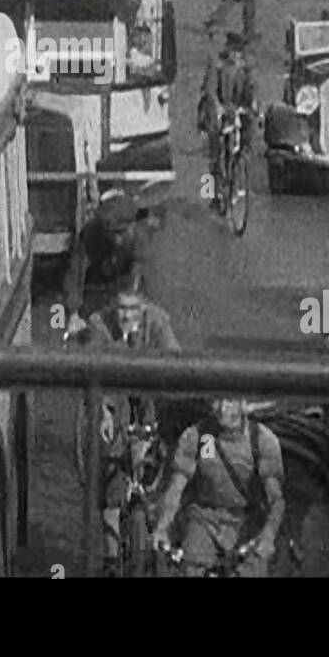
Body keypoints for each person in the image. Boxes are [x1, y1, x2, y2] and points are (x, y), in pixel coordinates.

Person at [67, 279, 179, 572]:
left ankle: (160, 525)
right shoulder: (99, 325)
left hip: (148, 391)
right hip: (114, 396)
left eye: (133, 309)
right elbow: (93, 372)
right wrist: (102, 410)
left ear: (144, 308)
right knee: (110, 478)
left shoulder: (158, 323)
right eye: (120, 309)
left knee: (169, 457)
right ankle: (110, 559)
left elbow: (175, 363)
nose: (126, 316)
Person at [151, 397, 287, 577]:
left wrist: (268, 535)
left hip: (247, 524)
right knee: (192, 567)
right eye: (217, 400)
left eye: (230, 401)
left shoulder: (262, 440)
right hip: (204, 519)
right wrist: (162, 527)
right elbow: (176, 489)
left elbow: (276, 499)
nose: (223, 408)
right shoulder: (196, 435)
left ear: (243, 405)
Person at [62, 190, 154, 323]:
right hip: (99, 284)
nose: (117, 239)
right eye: (112, 233)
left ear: (132, 226)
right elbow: (75, 273)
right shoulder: (90, 233)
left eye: (122, 232)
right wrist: (74, 313)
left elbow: (142, 275)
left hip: (125, 284)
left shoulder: (141, 235)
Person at [199, 33, 257, 208]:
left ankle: (238, 178)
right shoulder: (216, 67)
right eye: (234, 51)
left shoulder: (245, 71)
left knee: (244, 142)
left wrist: (253, 106)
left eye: (240, 52)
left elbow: (252, 91)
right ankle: (210, 195)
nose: (237, 56)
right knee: (214, 156)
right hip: (218, 112)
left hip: (237, 112)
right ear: (228, 50)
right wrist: (217, 107)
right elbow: (209, 91)